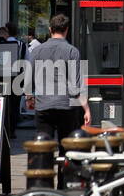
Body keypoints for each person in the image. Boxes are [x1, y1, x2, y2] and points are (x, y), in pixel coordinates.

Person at [24, 13, 89, 144]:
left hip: (43, 105)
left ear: (50, 29)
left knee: (43, 147)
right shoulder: (72, 51)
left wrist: (29, 99)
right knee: (66, 149)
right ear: (66, 29)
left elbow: (27, 81)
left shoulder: (36, 51)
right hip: (65, 106)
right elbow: (75, 86)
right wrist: (86, 109)